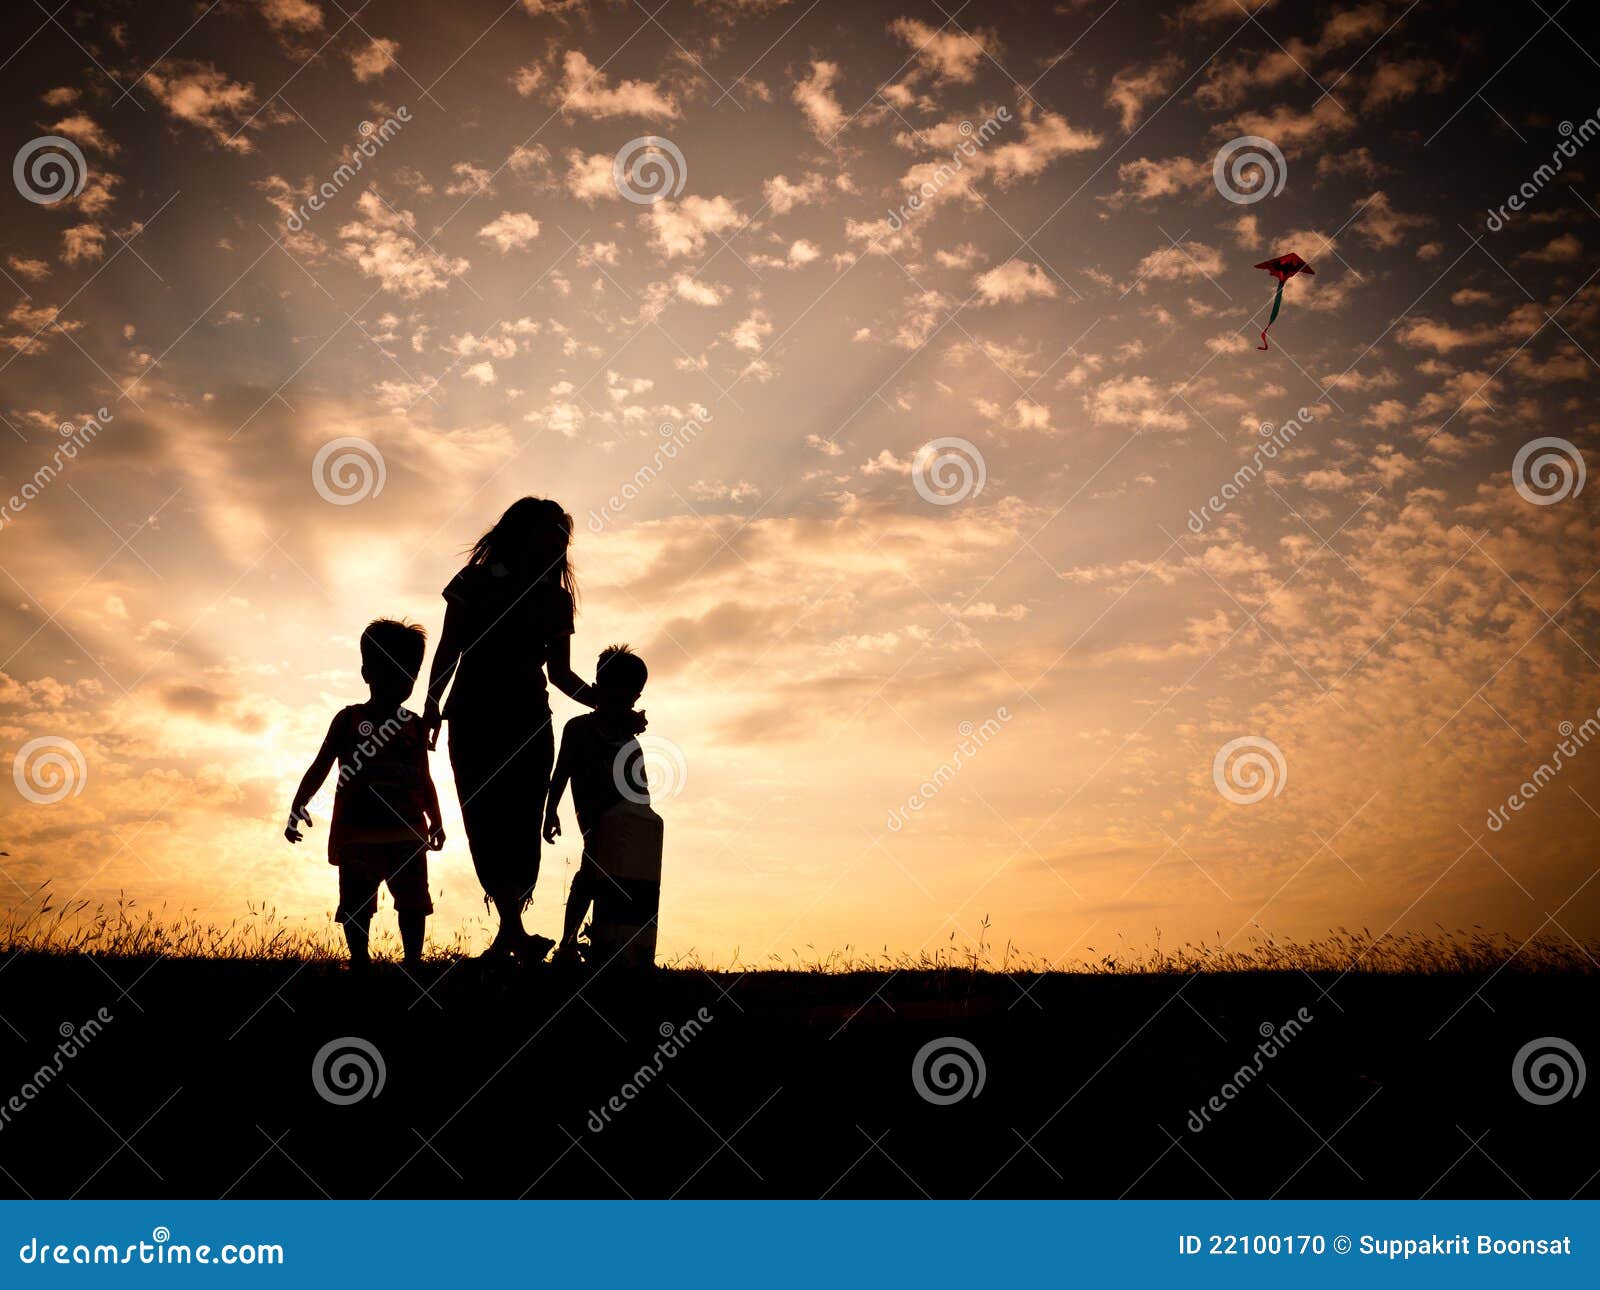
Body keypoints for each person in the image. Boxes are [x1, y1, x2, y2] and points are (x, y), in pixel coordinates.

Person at [422, 498, 643, 960]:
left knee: (521, 820)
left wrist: (610, 707)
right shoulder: (472, 582)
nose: (557, 545)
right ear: (521, 532)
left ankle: (511, 929)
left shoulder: (554, 598)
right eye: (550, 533)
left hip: (527, 722)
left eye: (561, 538)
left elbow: (560, 674)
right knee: (482, 818)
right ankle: (512, 928)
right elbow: (449, 647)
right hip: (472, 716)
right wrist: (431, 703)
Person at [285, 618, 443, 970]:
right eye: (391, 670)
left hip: (408, 832)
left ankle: (413, 961)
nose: (401, 680)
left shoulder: (415, 726)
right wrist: (299, 805)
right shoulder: (348, 720)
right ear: (366, 672)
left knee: (414, 901)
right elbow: (320, 766)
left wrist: (437, 820)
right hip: (358, 834)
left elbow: (424, 777)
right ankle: (359, 961)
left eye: (409, 673)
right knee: (357, 902)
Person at [543, 645, 649, 964]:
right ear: (600, 687)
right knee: (590, 876)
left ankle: (610, 942)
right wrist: (551, 811)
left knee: (620, 881)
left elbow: (640, 790)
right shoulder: (579, 729)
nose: (630, 700)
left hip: (628, 825)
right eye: (625, 692)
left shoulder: (630, 741)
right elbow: (561, 771)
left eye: (635, 695)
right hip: (594, 819)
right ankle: (568, 942)